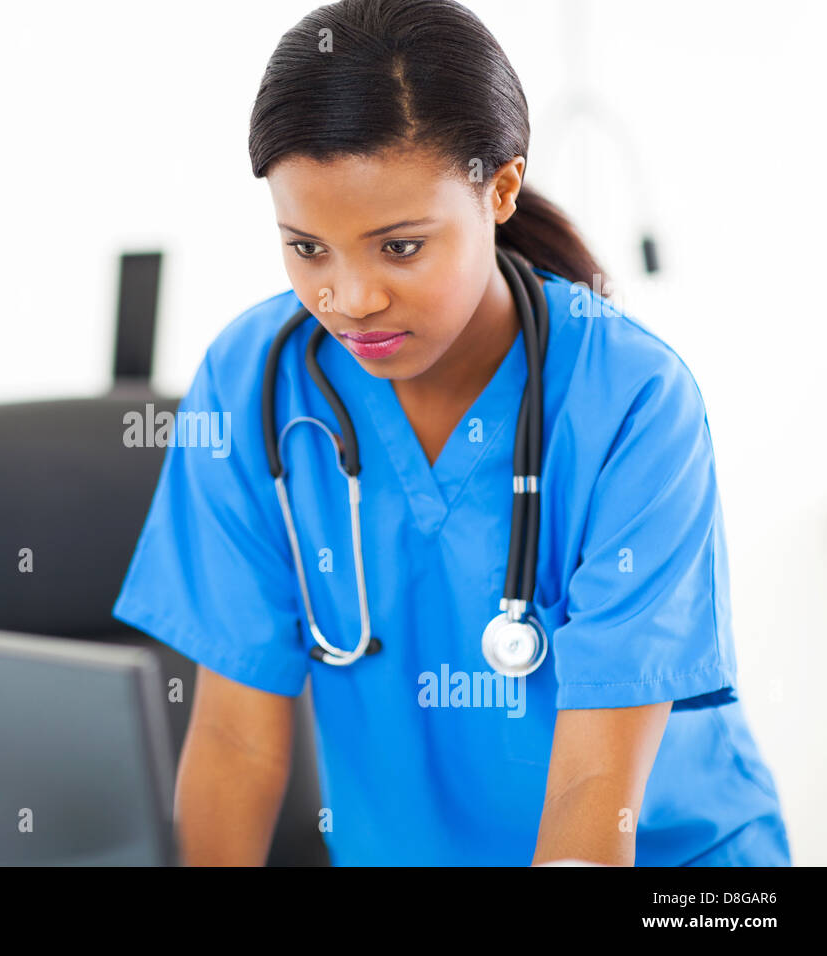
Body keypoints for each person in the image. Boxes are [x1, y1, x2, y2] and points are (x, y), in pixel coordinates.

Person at [111, 0, 792, 866]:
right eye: (307, 248)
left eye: (399, 248)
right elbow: (237, 744)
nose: (349, 299)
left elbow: (595, 796)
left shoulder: (632, 401)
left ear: (499, 190)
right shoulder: (250, 386)